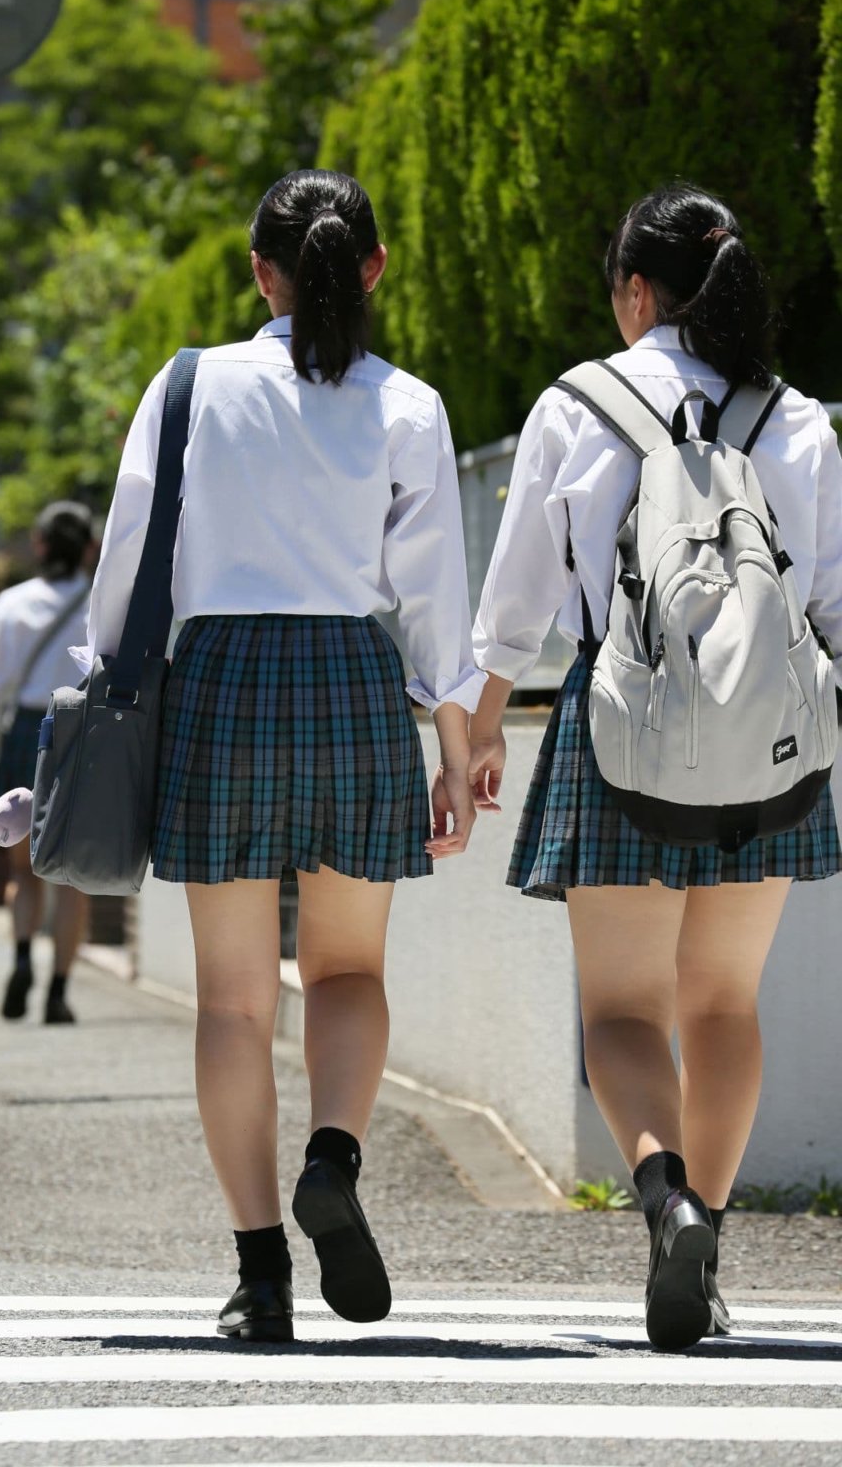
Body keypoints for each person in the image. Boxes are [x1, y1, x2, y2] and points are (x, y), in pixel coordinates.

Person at [79, 168, 484, 1342]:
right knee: (349, 975)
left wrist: (108, 687)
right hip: (354, 685)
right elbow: (433, 603)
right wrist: (455, 748)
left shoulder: (192, 383)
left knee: (233, 1004)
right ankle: (334, 1159)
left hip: (220, 688)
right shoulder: (407, 404)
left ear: (260, 272)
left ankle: (260, 1278)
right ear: (373, 269)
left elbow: (125, 560)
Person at [470, 184, 842, 1350]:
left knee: (622, 1008)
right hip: (770, 735)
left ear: (636, 290)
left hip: (619, 724)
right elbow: (828, 604)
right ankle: (710, 1244)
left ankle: (662, 1195)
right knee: (723, 1001)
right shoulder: (798, 420)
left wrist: (478, 726)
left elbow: (517, 600)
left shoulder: (577, 405)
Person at [0, 502, 93, 1025]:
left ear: (38, 545)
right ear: (87, 548)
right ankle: (58, 990)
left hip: (26, 736)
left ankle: (20, 958)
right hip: (83, 734)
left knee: (24, 866)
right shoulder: (99, 601)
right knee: (73, 878)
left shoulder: (12, 604)